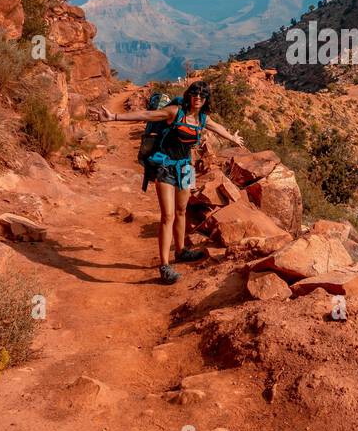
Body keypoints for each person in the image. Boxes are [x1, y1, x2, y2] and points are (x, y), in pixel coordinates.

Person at [91, 81, 244, 284]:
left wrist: (232, 138)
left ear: (206, 99)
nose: (198, 98)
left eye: (202, 95)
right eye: (195, 94)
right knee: (168, 215)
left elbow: (217, 128)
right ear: (189, 95)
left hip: (186, 168)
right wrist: (113, 117)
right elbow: (146, 115)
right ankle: (164, 265)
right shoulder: (174, 112)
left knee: (182, 211)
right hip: (165, 166)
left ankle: (180, 251)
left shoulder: (202, 118)